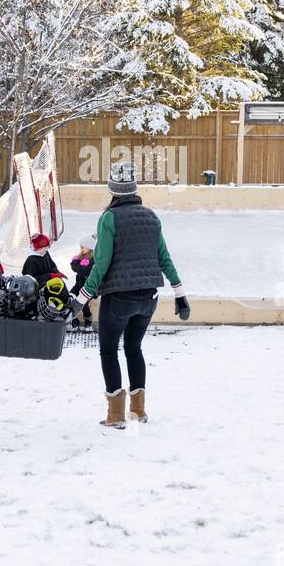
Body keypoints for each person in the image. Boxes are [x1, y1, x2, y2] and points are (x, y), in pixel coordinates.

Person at [71, 161, 189, 429]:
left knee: (109, 351)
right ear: (134, 188)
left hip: (119, 299)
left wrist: (80, 299)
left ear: (112, 189)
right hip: (148, 298)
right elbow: (164, 258)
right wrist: (180, 293)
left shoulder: (108, 218)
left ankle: (115, 416)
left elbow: (100, 264)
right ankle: (138, 411)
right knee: (134, 349)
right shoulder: (151, 216)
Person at [68, 235, 96, 330]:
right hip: (79, 285)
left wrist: (76, 264)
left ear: (91, 248)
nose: (81, 249)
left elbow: (83, 271)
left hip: (90, 288)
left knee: (83, 302)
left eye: (83, 247)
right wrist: (76, 263)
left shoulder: (94, 259)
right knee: (69, 298)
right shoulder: (81, 256)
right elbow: (75, 268)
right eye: (81, 247)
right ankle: (74, 320)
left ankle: (88, 319)